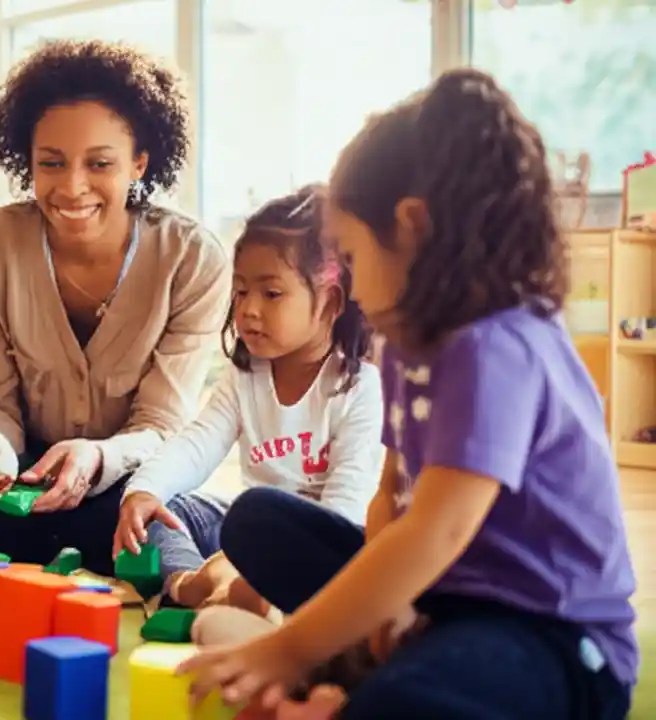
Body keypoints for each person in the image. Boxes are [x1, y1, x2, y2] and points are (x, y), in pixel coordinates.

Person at [179, 68, 637, 720]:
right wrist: (382, 612)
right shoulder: (404, 345)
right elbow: (392, 496)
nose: (354, 291)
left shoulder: (500, 345)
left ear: (411, 228)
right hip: (440, 601)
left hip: (550, 636)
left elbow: (440, 528)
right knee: (257, 519)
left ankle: (356, 690)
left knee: (408, 699)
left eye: (356, 261)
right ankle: (369, 667)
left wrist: (290, 647)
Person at [0, 38, 232, 576]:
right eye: (51, 163)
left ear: (139, 163)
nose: (72, 187)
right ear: (27, 161)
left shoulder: (192, 260)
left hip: (125, 475)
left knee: (149, 518)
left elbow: (162, 425)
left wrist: (98, 458)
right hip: (23, 473)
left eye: (99, 163)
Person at [113, 185, 381, 612]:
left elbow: (345, 511)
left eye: (271, 293)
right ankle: (195, 584)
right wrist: (144, 491)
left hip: (318, 549)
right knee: (168, 510)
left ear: (329, 302)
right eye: (240, 291)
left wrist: (290, 561)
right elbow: (197, 444)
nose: (249, 309)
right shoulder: (246, 378)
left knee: (263, 518)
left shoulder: (360, 387)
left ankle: (244, 590)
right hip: (248, 537)